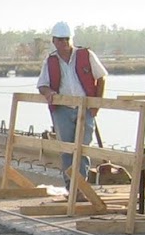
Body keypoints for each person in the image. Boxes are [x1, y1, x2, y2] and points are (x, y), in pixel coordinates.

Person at [36, 21, 108, 190]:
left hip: (85, 108)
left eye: (67, 39)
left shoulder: (86, 55)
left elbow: (102, 77)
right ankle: (71, 188)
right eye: (60, 39)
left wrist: (97, 103)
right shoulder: (51, 60)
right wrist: (49, 93)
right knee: (67, 149)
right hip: (62, 110)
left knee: (82, 148)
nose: (64, 43)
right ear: (54, 41)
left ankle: (81, 187)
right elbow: (42, 85)